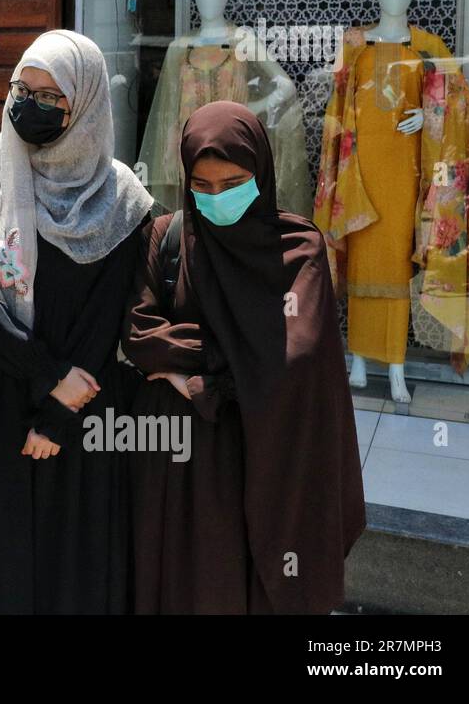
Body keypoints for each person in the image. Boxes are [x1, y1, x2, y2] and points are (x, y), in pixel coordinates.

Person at [0, 30, 154, 614]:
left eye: (48, 96)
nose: (26, 104)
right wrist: (46, 372)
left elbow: (109, 315)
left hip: (83, 409)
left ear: (83, 104)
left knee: (72, 565)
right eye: (19, 88)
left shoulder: (123, 198)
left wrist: (58, 410)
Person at [122, 100, 365, 614]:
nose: (216, 199)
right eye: (202, 187)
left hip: (260, 453)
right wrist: (236, 352)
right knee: (182, 582)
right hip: (177, 462)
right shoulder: (166, 239)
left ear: (261, 172)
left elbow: (295, 359)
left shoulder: (298, 250)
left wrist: (205, 381)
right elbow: (140, 334)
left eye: (233, 185)